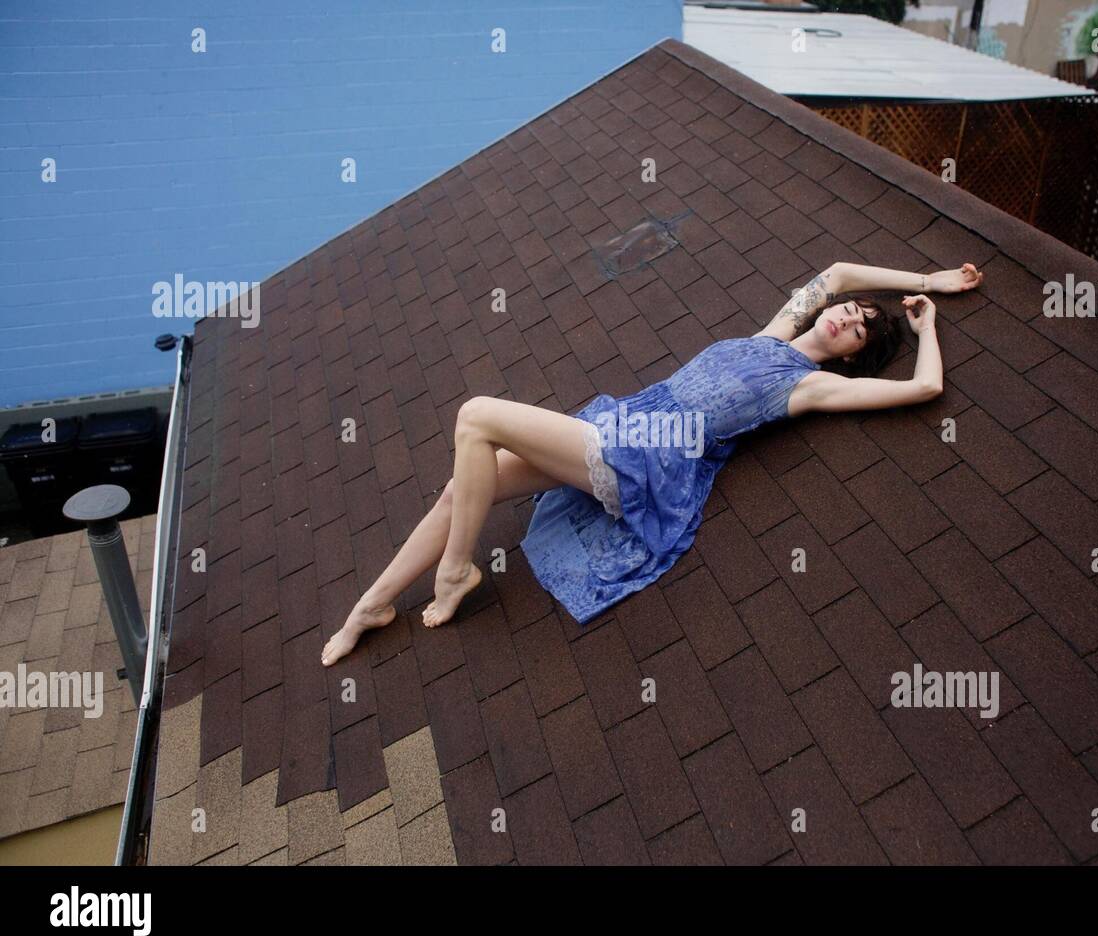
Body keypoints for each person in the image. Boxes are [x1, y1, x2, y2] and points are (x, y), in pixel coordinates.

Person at [321, 260, 983, 666]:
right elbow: (837, 272)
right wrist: (927, 281)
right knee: (464, 480)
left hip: (646, 462)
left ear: (851, 354)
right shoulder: (770, 334)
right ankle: (370, 608)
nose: (847, 317)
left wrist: (926, 328)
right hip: (621, 422)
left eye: (862, 328)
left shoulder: (809, 386)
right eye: (851, 312)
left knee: (476, 415)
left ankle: (455, 574)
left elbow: (923, 390)